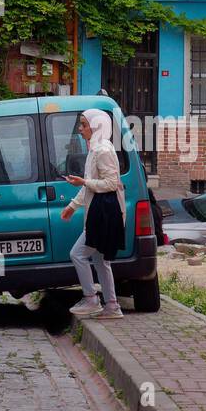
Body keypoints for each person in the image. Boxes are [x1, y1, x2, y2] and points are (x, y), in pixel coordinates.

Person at [62, 109, 126, 320]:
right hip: (99, 211)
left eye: (84, 125)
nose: (80, 129)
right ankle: (112, 305)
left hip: (104, 214)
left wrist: (84, 182)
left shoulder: (103, 151)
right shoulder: (96, 149)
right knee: (100, 260)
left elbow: (110, 183)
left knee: (77, 254)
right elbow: (89, 185)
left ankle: (91, 298)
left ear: (96, 126)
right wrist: (73, 205)